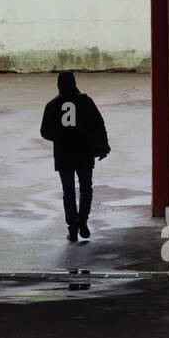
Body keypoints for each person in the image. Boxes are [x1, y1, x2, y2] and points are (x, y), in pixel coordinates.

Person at [40, 69, 110, 243]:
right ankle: (83, 221)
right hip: (84, 152)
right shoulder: (86, 102)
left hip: (63, 154)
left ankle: (72, 228)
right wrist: (103, 146)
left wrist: (61, 135)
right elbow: (99, 125)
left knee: (68, 192)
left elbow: (45, 132)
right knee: (86, 188)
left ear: (58, 85)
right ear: (75, 83)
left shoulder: (52, 105)